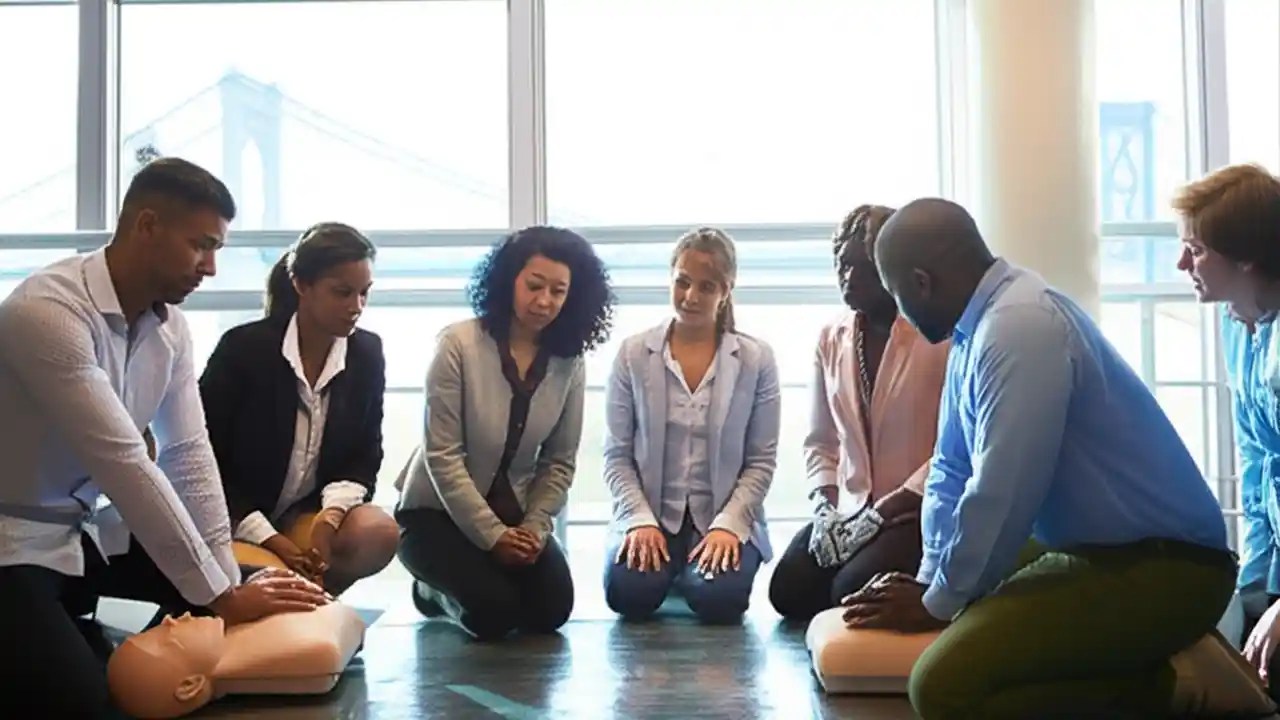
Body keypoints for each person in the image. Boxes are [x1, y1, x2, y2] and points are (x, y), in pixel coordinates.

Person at [842, 197, 1235, 718]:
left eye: (895, 295)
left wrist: (940, 603)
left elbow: (1002, 489)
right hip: (1097, 548)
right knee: (967, 595)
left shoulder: (1020, 327)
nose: (900, 313)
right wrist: (930, 579)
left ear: (921, 282)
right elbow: (952, 471)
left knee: (940, 686)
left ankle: (1171, 689)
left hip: (1169, 568)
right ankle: (1132, 667)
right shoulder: (973, 328)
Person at [0, 157, 329, 719]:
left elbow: (188, 454)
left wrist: (226, 577)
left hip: (87, 537)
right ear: (147, 226)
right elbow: (125, 464)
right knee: (85, 702)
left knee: (281, 598)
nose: (211, 267)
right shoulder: (46, 312)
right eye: (201, 245)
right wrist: (220, 598)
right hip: (12, 544)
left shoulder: (171, 328)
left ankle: (90, 631)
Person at [395, 226, 614, 641]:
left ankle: (487, 570)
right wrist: (492, 536)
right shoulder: (457, 344)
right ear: (508, 279)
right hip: (434, 515)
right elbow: (441, 456)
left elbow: (559, 461)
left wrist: (533, 528)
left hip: (514, 514)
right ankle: (428, 593)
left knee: (551, 610)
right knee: (493, 615)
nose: (544, 301)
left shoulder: (570, 361)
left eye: (558, 291)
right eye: (534, 285)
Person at [768, 205, 949, 621]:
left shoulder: (937, 336)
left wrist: (883, 513)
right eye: (840, 263)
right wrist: (824, 507)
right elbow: (821, 442)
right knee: (789, 590)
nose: (845, 276)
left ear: (890, 267)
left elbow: (952, 448)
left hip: (912, 510)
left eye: (859, 266)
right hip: (848, 510)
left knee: (848, 589)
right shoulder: (832, 337)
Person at [199, 222, 398, 596]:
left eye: (364, 294)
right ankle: (297, 603)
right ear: (302, 285)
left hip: (302, 512)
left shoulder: (366, 353)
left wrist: (329, 518)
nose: (356, 307)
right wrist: (271, 539)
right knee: (275, 574)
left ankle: (316, 599)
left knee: (379, 532)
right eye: (342, 293)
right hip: (236, 515)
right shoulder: (244, 349)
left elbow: (364, 454)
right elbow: (204, 462)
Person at [602, 227, 781, 624]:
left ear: (727, 289)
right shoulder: (633, 354)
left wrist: (728, 526)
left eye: (706, 286)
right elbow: (616, 456)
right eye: (682, 282)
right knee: (629, 594)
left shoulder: (755, 360)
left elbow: (761, 463)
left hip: (721, 516)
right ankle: (671, 569)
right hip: (650, 513)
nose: (690, 296)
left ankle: (688, 572)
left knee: (719, 600)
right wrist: (639, 521)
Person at [1172, 163, 1280, 696]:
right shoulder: (1237, 326)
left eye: (1196, 250)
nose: (1180, 263)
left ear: (1245, 256)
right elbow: (1257, 463)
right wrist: (1256, 586)